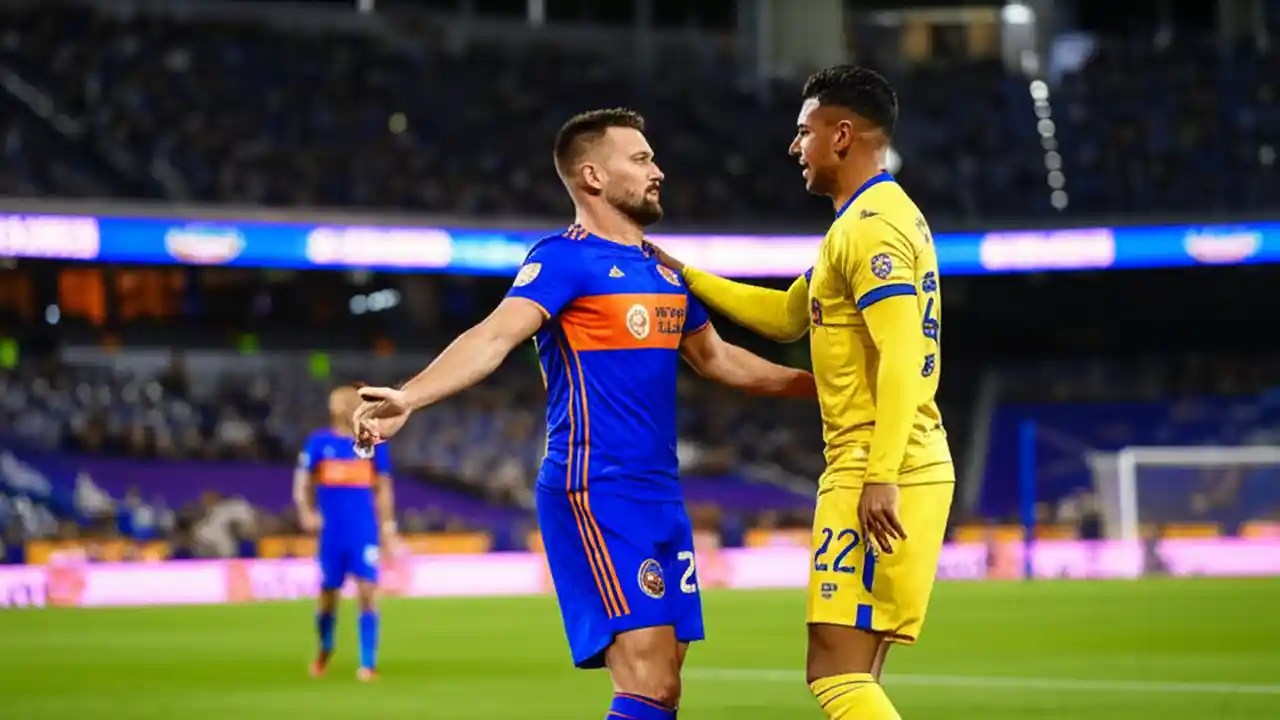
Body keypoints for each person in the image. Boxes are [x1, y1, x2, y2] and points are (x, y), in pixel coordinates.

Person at [353, 108, 814, 720]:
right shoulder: (564, 259)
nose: (659, 171)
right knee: (646, 679)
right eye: (642, 159)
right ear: (593, 177)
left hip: (659, 494)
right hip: (595, 487)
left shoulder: (663, 270)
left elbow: (720, 359)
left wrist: (823, 387)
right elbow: (494, 336)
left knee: (666, 682)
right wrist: (410, 395)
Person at [651, 66, 954, 719]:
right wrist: (685, 274)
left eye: (803, 132)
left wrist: (880, 475)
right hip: (889, 460)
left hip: (880, 463)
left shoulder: (871, 226)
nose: (794, 147)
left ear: (841, 135)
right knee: (855, 671)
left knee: (836, 674)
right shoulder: (867, 222)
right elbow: (788, 315)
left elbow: (901, 352)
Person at [294, 384, 396, 681]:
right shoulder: (319, 443)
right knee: (328, 595)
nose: (346, 404)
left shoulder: (373, 444)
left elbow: (384, 488)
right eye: (341, 400)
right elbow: (303, 483)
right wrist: (306, 511)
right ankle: (325, 648)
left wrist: (388, 527)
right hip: (332, 532)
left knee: (367, 592)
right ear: (332, 407)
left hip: (363, 531)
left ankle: (368, 662)